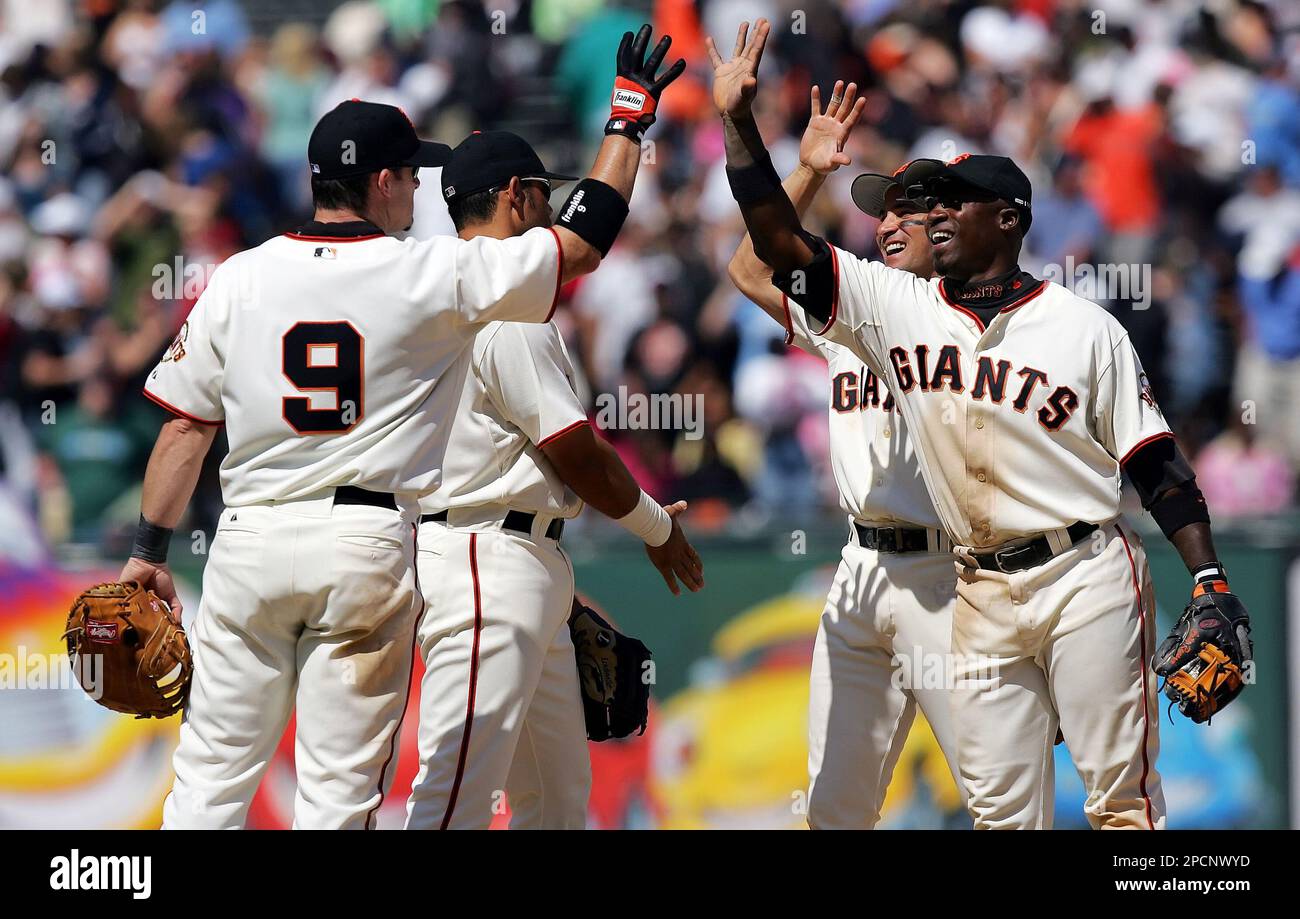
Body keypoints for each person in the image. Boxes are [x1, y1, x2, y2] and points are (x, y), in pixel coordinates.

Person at [119, 22, 682, 830]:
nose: (419, 192)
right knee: (338, 796)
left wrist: (146, 553)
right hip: (363, 544)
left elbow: (183, 431)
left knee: (207, 786)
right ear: (382, 181)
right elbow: (583, 241)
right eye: (411, 176)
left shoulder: (238, 276)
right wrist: (626, 118)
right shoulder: (428, 271)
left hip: (244, 541)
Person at [709, 19, 1251, 829]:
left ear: (1006, 218)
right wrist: (740, 125)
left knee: (1121, 805)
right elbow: (774, 245)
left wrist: (1208, 577)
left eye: (950, 201)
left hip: (1081, 568)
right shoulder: (892, 306)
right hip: (976, 587)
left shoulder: (1082, 327)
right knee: (1000, 816)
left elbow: (1155, 461)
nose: (929, 216)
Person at [404, 130, 701, 831]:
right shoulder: (503, 305)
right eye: (543, 193)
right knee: (455, 796)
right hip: (484, 555)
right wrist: (657, 527)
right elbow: (576, 449)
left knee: (557, 804)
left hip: (512, 555)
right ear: (517, 196)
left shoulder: (439, 287)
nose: (550, 208)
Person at [727, 82, 962, 828]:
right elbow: (749, 269)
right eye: (883, 208)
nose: (889, 221)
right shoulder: (850, 309)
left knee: (999, 800)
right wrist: (809, 172)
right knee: (834, 805)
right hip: (862, 567)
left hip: (954, 574)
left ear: (955, 222)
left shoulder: (988, 324)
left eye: (909, 207)